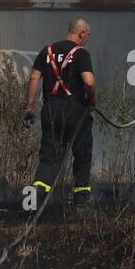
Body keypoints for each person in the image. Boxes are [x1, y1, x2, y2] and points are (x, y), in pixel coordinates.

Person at [23, 18, 96, 210]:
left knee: (49, 156)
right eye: (87, 36)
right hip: (77, 112)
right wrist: (92, 100)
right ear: (81, 33)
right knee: (82, 154)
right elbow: (88, 82)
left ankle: (33, 200)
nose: (87, 39)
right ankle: (81, 201)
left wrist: (29, 107)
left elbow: (33, 78)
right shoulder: (81, 54)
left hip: (50, 111)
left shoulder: (46, 51)